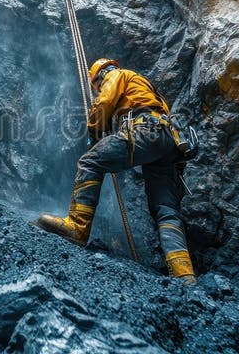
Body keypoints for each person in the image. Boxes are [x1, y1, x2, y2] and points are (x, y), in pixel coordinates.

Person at [35, 58, 197, 284]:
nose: (98, 88)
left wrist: (95, 133)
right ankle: (185, 274)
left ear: (100, 75)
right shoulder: (147, 89)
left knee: (90, 162)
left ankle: (77, 227)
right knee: (166, 210)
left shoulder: (117, 75)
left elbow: (105, 102)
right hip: (169, 141)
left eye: (97, 85)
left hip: (145, 131)